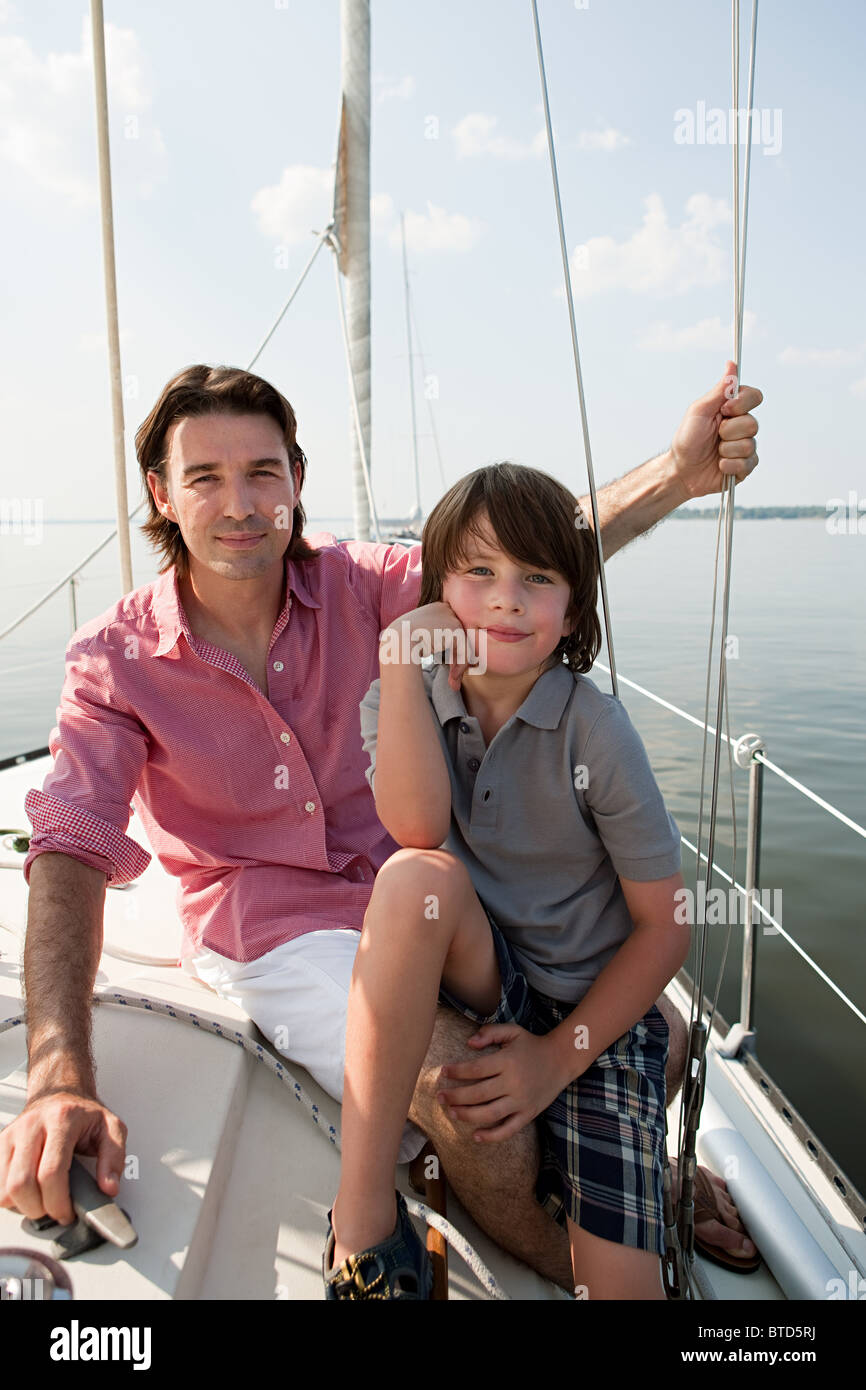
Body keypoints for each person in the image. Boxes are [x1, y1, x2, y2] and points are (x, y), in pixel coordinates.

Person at [0, 362, 761, 1291]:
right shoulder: (116, 661)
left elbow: (518, 561)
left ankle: (630, 1176)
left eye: (263, 472)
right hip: (279, 932)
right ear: (161, 492)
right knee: (463, 1093)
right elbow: (71, 850)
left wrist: (679, 475)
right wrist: (58, 1076)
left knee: (662, 1033)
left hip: (437, 895)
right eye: (204, 477)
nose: (240, 504)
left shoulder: (366, 587)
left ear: (298, 480)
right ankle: (594, 1258)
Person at [325, 464, 691, 1300]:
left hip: (590, 1007)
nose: (506, 600)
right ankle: (362, 1221)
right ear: (435, 590)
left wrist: (552, 1065)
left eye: (537, 577)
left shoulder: (595, 729)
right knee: (412, 877)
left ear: (573, 605)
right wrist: (399, 654)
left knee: (621, 1292)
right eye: (478, 572)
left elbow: (667, 925)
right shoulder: (401, 695)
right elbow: (416, 831)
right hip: (490, 970)